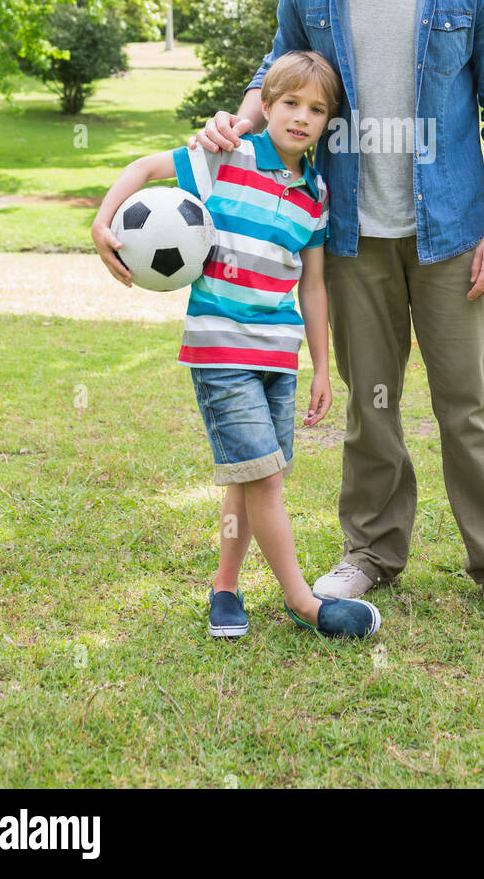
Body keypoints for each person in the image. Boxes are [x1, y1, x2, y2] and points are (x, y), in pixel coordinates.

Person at [190, 0, 484, 626]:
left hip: (452, 230)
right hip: (348, 230)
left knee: (468, 404)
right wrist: (238, 121)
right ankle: (372, 554)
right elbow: (275, 71)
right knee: (371, 402)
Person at [91, 49, 381, 642]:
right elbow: (145, 170)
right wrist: (103, 221)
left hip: (279, 354)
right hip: (221, 348)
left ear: (328, 123)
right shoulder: (227, 157)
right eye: (291, 103)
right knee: (266, 479)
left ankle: (225, 588)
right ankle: (304, 601)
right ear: (266, 105)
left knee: (250, 478)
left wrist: (322, 367)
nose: (302, 116)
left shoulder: (315, 193)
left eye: (317, 109)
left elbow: (315, 283)